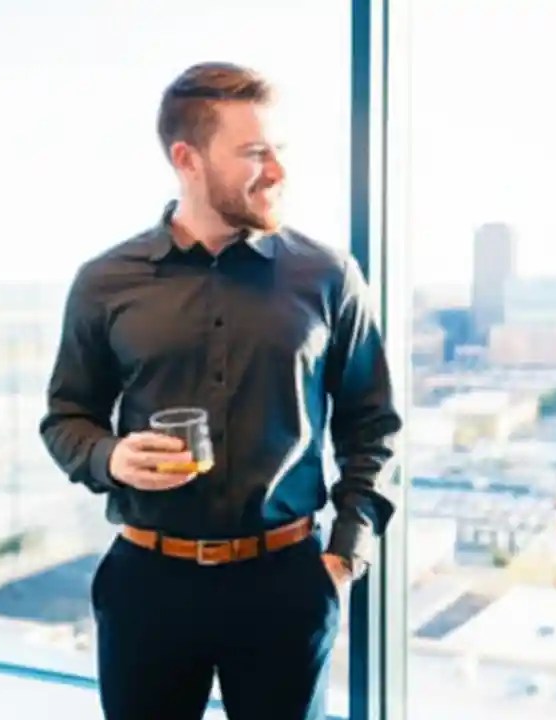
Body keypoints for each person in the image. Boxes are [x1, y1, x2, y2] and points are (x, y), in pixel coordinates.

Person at [39, 61, 401, 720]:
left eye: (280, 152)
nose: (279, 172)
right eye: (256, 153)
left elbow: (372, 429)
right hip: (147, 584)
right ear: (188, 159)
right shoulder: (105, 282)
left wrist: (345, 557)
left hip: (285, 584)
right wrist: (110, 458)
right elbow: (66, 419)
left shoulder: (327, 277)